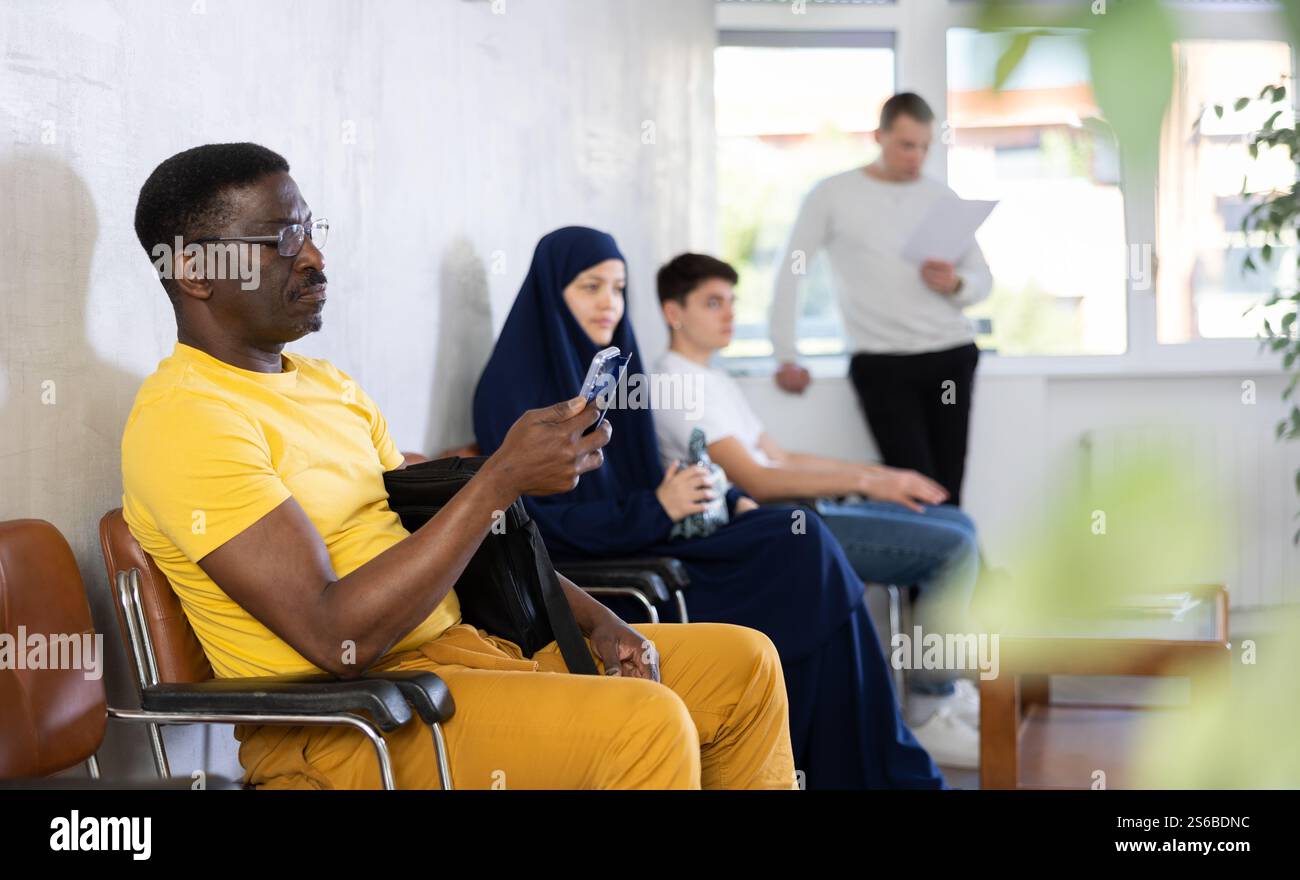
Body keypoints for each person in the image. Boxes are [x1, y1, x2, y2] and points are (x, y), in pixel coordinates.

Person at [121, 143, 797, 790]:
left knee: (744, 666)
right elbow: (337, 636)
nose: (316, 259)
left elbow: (440, 534)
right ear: (195, 271)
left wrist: (594, 618)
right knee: (644, 727)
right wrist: (500, 478)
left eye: (311, 230)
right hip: (355, 723)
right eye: (283, 239)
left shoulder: (329, 385)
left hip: (463, 658)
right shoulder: (189, 421)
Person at [472, 225, 945, 789]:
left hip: (647, 543)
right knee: (801, 558)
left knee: (798, 541)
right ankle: (868, 767)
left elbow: (649, 478)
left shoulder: (616, 375)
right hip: (601, 580)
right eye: (590, 287)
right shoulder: (511, 387)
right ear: (552, 291)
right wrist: (657, 508)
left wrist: (725, 498)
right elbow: (536, 530)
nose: (609, 304)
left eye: (618, 288)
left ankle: (850, 764)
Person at [654, 252, 982, 768]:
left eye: (732, 301)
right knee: (953, 547)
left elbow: (780, 457)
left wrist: (876, 474)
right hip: (773, 530)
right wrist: (869, 481)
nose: (729, 313)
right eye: (713, 303)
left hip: (802, 511)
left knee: (957, 522)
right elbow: (758, 479)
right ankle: (930, 706)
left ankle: (945, 688)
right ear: (674, 312)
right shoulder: (674, 385)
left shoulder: (712, 378)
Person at [770, 92, 992, 507]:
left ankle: (957, 550)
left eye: (925, 147)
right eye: (907, 145)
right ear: (879, 136)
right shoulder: (833, 194)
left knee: (948, 490)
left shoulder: (940, 198)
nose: (916, 157)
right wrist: (786, 354)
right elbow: (791, 271)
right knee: (912, 490)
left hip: (950, 355)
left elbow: (983, 281)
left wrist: (955, 283)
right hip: (883, 364)